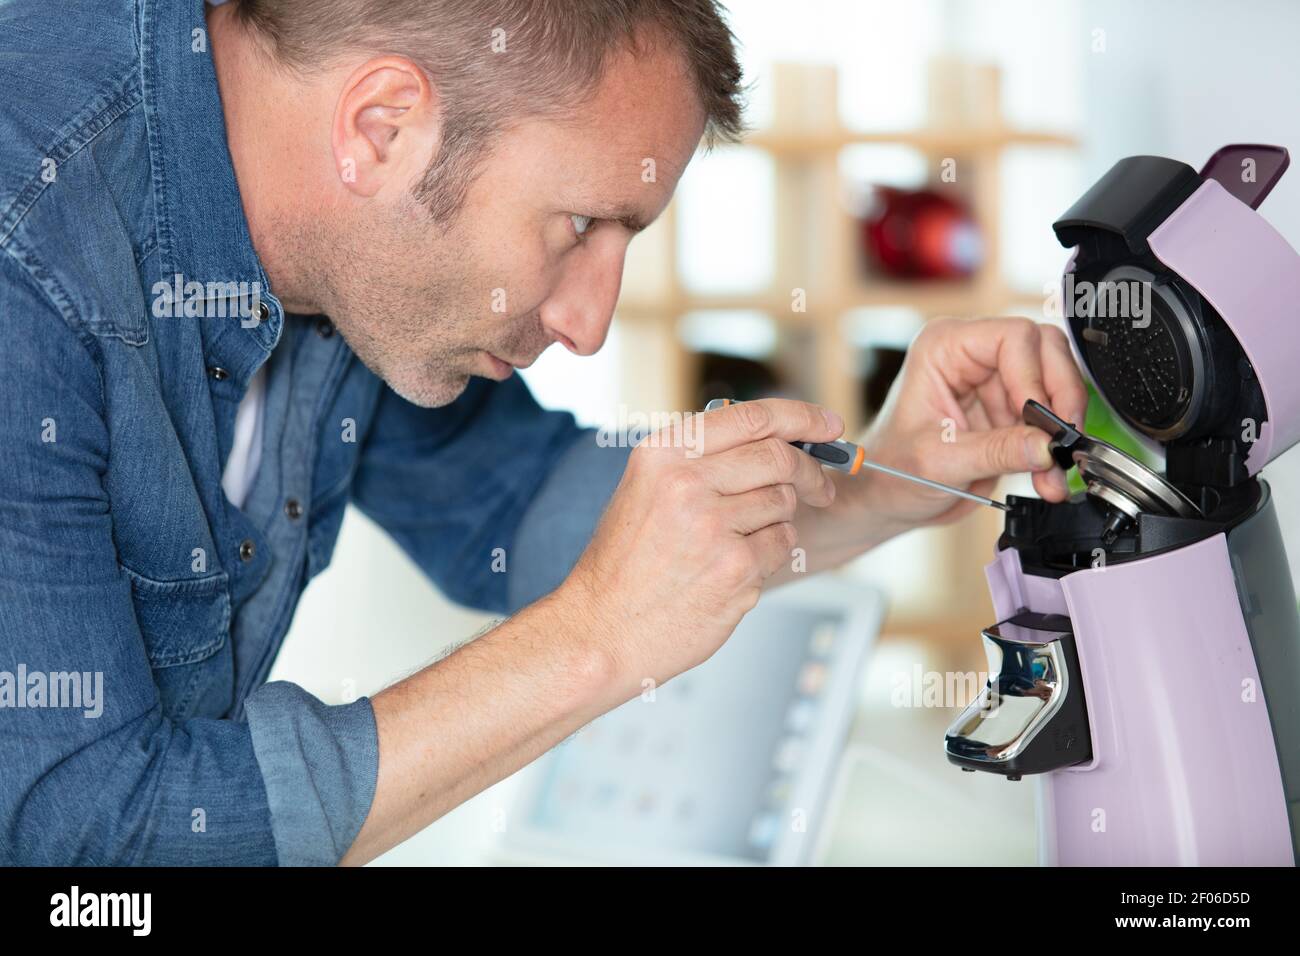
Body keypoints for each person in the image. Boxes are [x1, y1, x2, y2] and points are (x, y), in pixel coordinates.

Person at [0, 0, 1086, 865]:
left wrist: (879, 482)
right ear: (382, 127)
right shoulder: (29, 242)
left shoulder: (342, 257)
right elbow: (90, 844)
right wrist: (596, 636)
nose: (585, 320)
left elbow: (510, 502)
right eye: (579, 227)